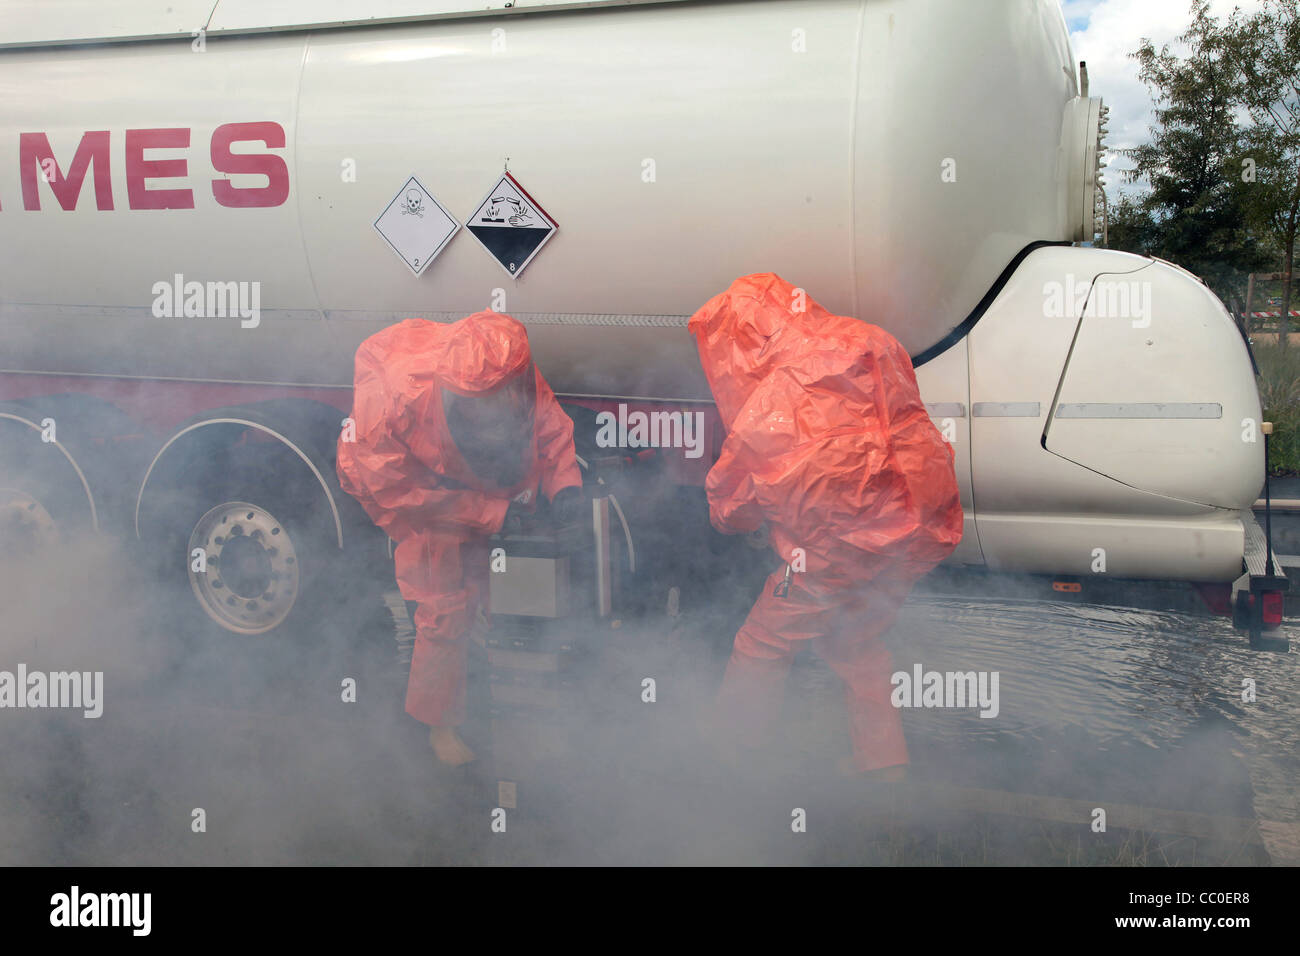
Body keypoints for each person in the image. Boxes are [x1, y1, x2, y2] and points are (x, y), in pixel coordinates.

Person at [688, 274, 964, 778]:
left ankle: (729, 759)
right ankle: (885, 766)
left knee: (762, 643)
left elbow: (733, 505)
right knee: (855, 640)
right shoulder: (873, 339)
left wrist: (728, 517)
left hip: (838, 551)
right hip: (921, 525)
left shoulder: (768, 404)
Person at [337, 312, 583, 766]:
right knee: (444, 611)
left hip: (475, 480)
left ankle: (516, 705)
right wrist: (491, 513)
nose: (503, 404)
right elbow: (398, 491)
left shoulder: (508, 367)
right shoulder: (396, 402)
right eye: (487, 402)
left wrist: (566, 488)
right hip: (420, 496)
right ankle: (438, 729)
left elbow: (547, 424)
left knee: (510, 596)